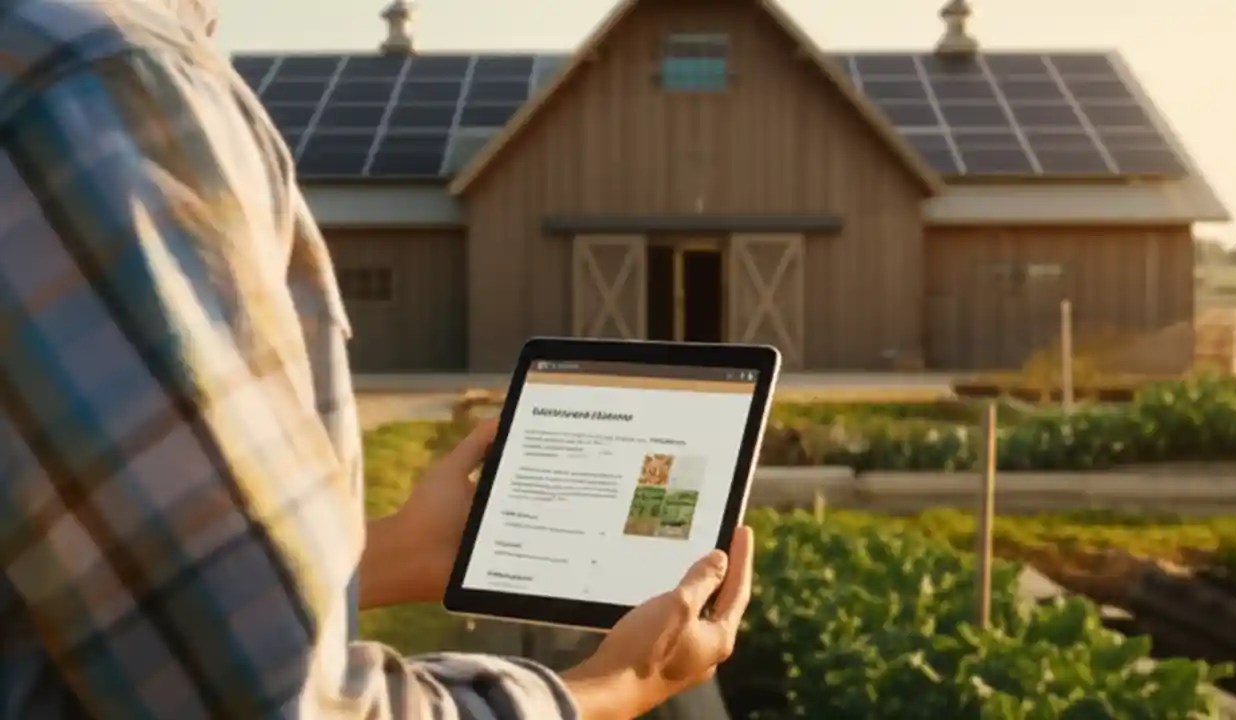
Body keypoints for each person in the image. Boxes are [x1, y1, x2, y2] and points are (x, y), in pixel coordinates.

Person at [0, 0, 754, 718]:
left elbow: (105, 584)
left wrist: (393, 552)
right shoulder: (105, 79)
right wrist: (617, 683)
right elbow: (284, 709)